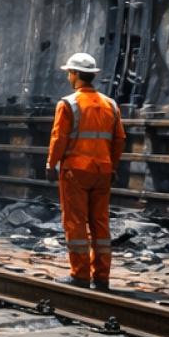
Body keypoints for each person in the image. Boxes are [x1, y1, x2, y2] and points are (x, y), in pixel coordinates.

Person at [47, 52, 126, 289]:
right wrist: (111, 165)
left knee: (76, 222)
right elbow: (119, 139)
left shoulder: (68, 104)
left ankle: (80, 274)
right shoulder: (110, 104)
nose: (69, 77)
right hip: (102, 171)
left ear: (75, 75)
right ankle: (102, 276)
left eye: (69, 73)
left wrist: (52, 164)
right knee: (100, 222)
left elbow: (58, 138)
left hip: (76, 172)